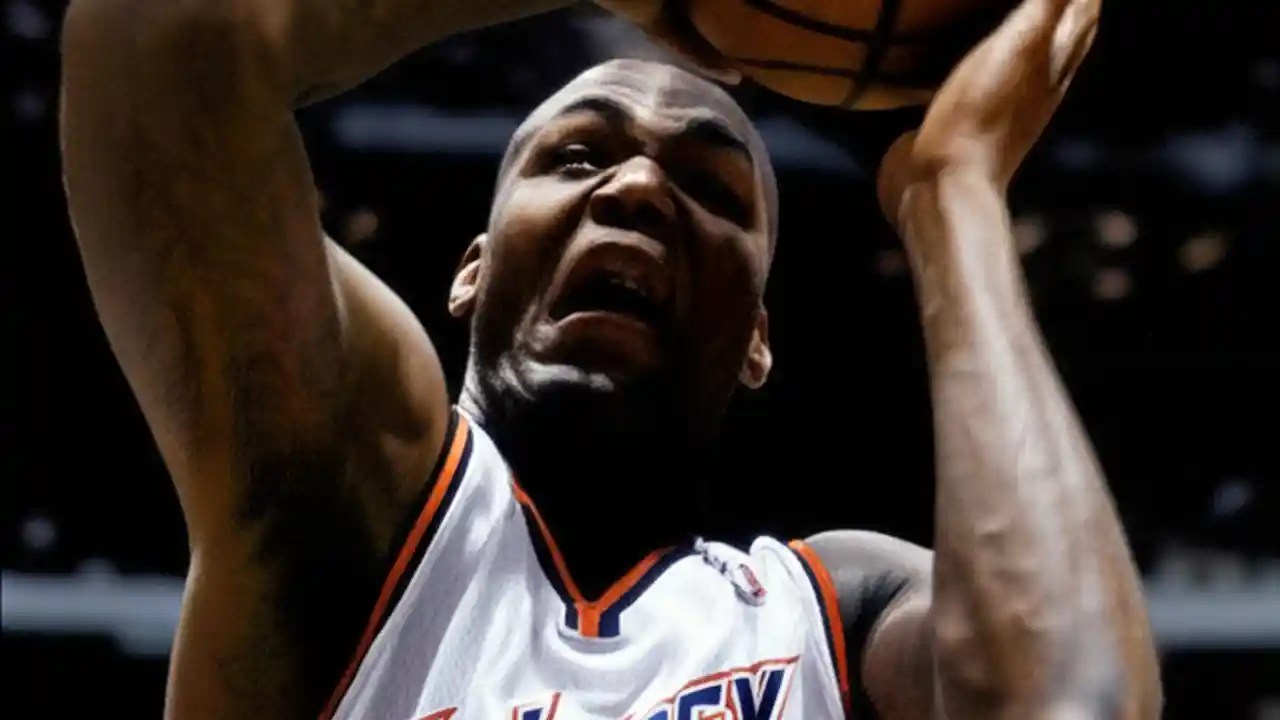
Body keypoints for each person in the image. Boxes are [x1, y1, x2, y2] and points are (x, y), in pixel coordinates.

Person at [59, 0, 1161, 717]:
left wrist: (951, 190)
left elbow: (1075, 701)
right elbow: (157, 36)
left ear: (759, 341)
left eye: (710, 188)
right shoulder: (366, 502)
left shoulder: (835, 609)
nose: (634, 191)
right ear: (469, 273)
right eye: (577, 155)